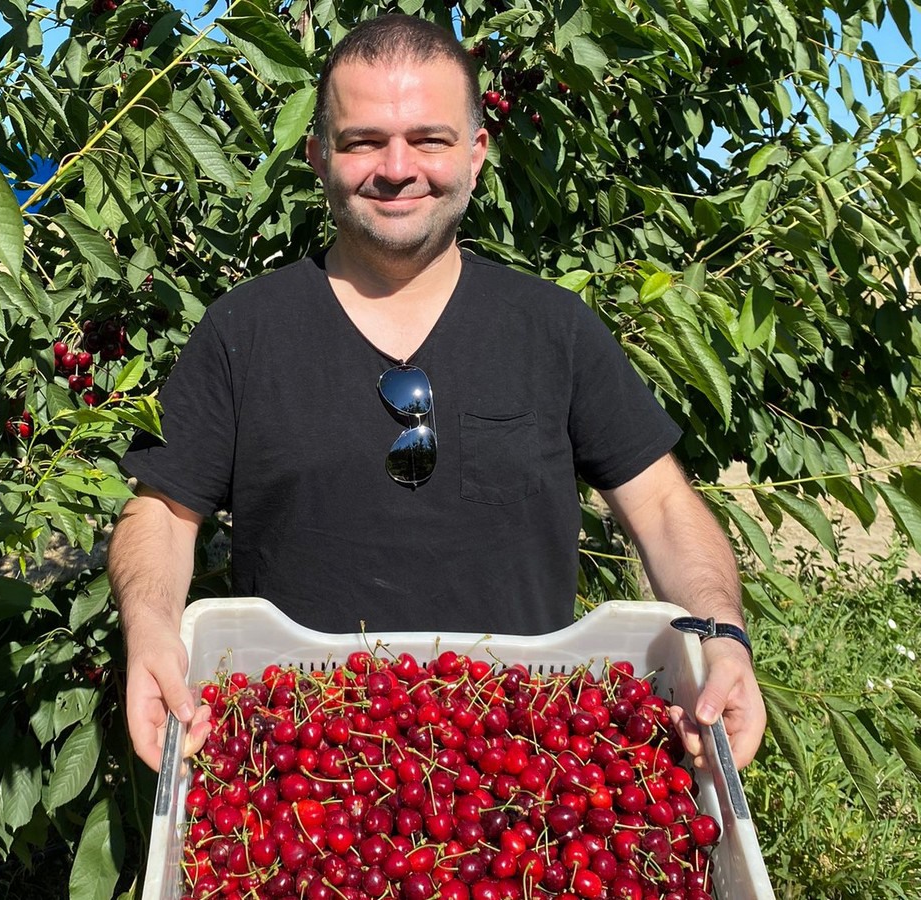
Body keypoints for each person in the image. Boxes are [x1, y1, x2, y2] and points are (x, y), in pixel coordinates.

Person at [108, 14, 766, 774]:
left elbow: (660, 505)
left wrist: (722, 634)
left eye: (430, 139)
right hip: (298, 766)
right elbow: (161, 508)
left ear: (476, 153)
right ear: (319, 155)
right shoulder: (242, 331)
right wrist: (152, 628)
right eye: (363, 141)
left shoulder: (553, 328)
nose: (397, 167)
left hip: (524, 766)